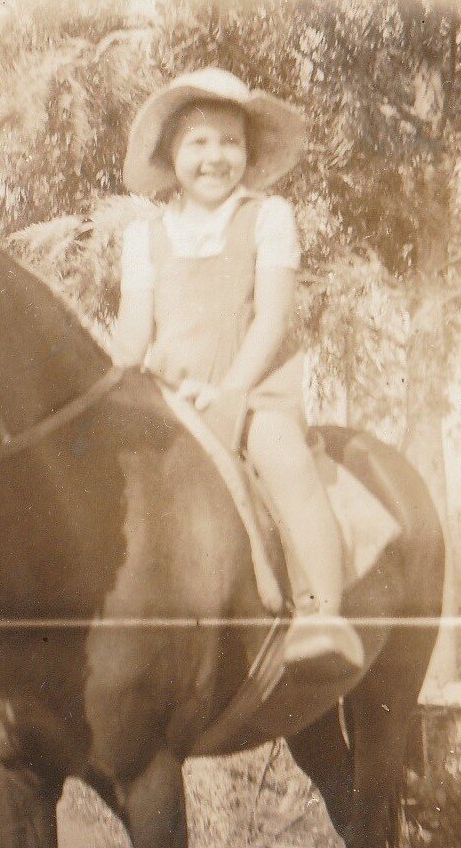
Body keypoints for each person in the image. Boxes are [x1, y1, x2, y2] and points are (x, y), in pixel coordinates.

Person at [114, 67, 364, 675]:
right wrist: (116, 384)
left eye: (230, 142)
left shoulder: (267, 216)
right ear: (172, 153)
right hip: (172, 396)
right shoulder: (145, 237)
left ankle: (322, 611)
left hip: (251, 392)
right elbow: (132, 333)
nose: (214, 156)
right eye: (198, 142)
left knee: (281, 452)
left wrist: (229, 394)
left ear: (248, 154)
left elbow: (271, 319)